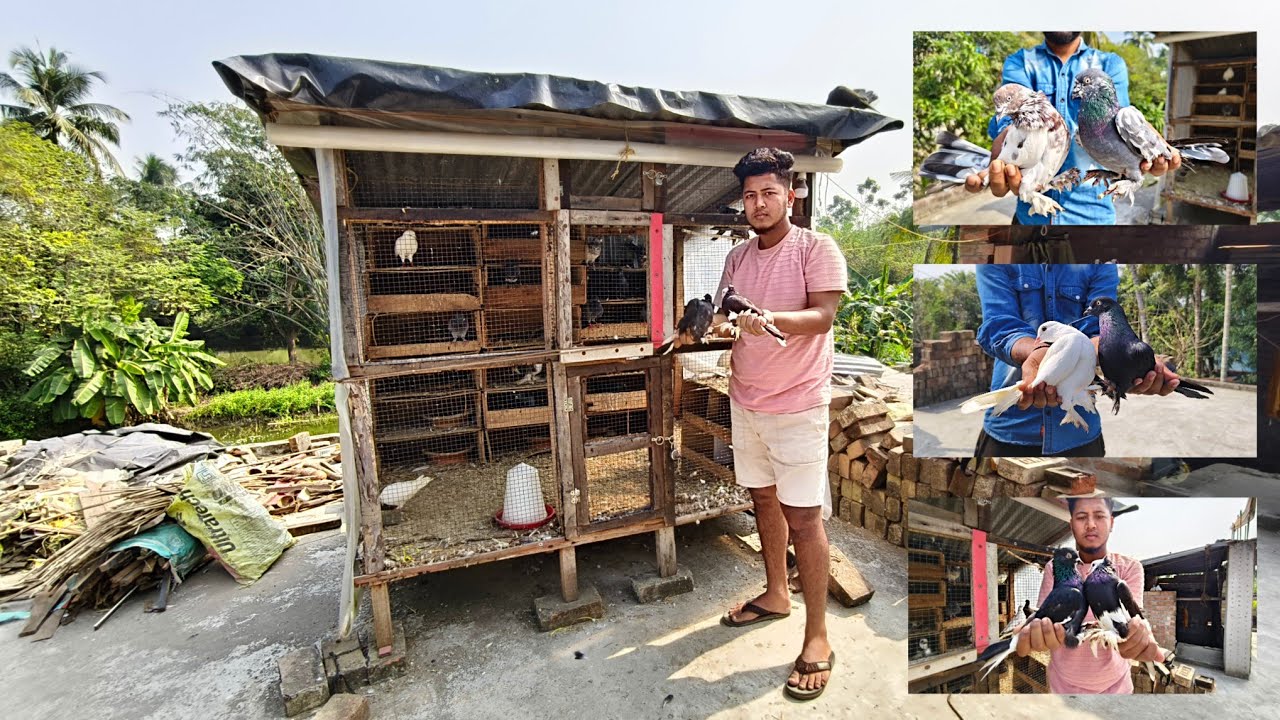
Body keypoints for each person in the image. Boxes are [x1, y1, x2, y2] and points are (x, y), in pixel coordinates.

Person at [714, 147, 847, 701]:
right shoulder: (737, 258)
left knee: (805, 519)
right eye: (750, 195)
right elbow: (723, 313)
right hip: (746, 399)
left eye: (769, 192)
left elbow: (823, 316)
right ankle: (775, 592)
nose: (759, 203)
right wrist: (724, 326)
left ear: (791, 195)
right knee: (762, 500)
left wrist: (767, 319)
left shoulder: (816, 248)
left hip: (798, 405)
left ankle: (817, 637)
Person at [964, 32, 1179, 225]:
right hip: (1031, 217)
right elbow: (1012, 117)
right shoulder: (1020, 62)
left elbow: (1120, 116)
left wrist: (1150, 140)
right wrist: (1006, 146)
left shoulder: (1110, 64)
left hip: (1093, 215)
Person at [973, 264, 1184, 456]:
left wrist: (1126, 360)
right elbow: (998, 326)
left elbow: (1098, 331)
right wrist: (1042, 350)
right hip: (1010, 428)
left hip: (1081, 432)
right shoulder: (996, 256)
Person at [1015, 498, 1166, 693]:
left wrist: (1137, 637)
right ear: (1071, 525)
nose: (1091, 524)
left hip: (1116, 689)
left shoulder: (1129, 568)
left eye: (1099, 516)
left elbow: (1133, 620)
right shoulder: (1055, 567)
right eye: (1081, 517)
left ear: (1111, 522)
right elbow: (1046, 620)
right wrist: (1038, 635)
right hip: (1063, 687)